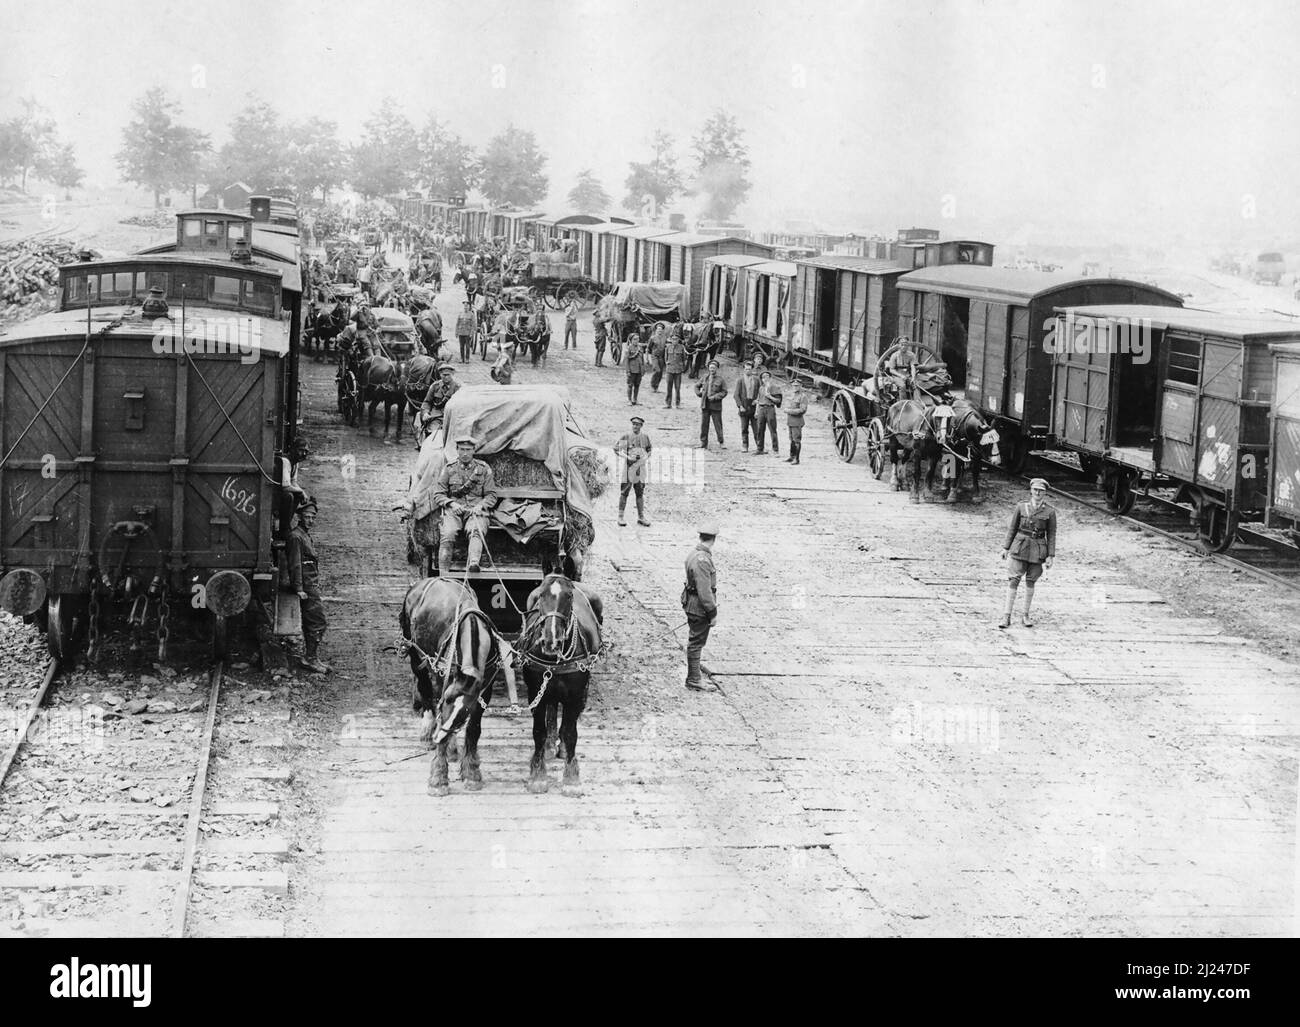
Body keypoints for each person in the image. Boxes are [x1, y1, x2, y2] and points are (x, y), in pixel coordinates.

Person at [433, 435, 499, 574]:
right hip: (454, 510)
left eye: (468, 449)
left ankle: (473, 564)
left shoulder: (483, 469)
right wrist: (451, 504)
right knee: (448, 533)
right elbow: (438, 494)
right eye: (462, 449)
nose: (465, 453)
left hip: (475, 511)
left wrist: (481, 506)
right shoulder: (449, 469)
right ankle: (443, 573)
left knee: (476, 529)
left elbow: (491, 495)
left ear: (474, 450)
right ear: (456, 450)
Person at [999, 478, 1057, 628]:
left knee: (1031, 581)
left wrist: (1050, 556)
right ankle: (1006, 616)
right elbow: (1012, 529)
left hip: (1038, 550)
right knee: (1014, 580)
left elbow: (1051, 534)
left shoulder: (1050, 512)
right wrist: (1006, 548)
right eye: (1035, 490)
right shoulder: (1021, 507)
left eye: (1041, 491)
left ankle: (1025, 615)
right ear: (1031, 491)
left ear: (1045, 493)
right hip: (1020, 547)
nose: (1038, 493)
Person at [287, 496, 329, 674]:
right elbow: (295, 564)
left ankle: (311, 656)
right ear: (300, 517)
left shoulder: (304, 535)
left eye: (313, 517)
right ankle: (310, 658)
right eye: (307, 517)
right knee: (318, 621)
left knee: (314, 621)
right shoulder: (296, 536)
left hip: (312, 583)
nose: (310, 520)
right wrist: (299, 589)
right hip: (306, 586)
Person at [681, 523, 719, 692]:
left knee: (695, 641)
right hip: (699, 607)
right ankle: (694, 679)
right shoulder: (703, 560)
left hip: (692, 602)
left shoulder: (694, 553)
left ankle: (694, 676)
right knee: (696, 642)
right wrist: (712, 613)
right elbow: (705, 591)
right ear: (714, 539)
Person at [615, 415, 652, 527]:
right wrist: (627, 457)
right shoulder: (627, 436)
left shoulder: (645, 437)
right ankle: (620, 516)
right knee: (624, 492)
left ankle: (641, 517)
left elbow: (649, 450)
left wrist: (645, 457)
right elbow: (617, 450)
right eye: (633, 424)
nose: (635, 426)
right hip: (629, 468)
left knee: (640, 493)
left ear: (641, 426)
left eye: (637, 424)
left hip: (640, 468)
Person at [418, 363, 461, 433]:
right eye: (444, 375)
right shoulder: (435, 386)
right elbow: (427, 402)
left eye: (448, 375)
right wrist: (425, 413)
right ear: (440, 375)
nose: (446, 377)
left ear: (452, 374)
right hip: (436, 416)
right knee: (432, 433)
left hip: (452, 416)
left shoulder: (458, 387)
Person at [696, 357, 728, 449]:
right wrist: (699, 394)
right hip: (705, 405)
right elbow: (696, 386)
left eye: (714, 368)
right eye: (710, 367)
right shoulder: (704, 378)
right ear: (708, 368)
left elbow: (724, 392)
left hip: (716, 406)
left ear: (717, 369)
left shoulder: (720, 379)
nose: (712, 369)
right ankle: (703, 442)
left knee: (718, 425)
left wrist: (715, 397)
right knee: (704, 425)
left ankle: (721, 442)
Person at [733, 359, 760, 452]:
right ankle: (745, 445)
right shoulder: (740, 380)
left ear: (752, 370)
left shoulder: (756, 380)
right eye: (746, 369)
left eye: (749, 369)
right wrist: (740, 406)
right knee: (744, 428)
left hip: (753, 407)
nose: (748, 371)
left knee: (756, 428)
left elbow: (760, 392)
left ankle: (759, 446)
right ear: (744, 370)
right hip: (744, 406)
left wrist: (757, 400)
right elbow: (736, 395)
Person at [754, 371, 782, 455]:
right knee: (760, 430)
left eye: (767, 376)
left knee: (772, 430)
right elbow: (759, 400)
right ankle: (760, 449)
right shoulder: (761, 388)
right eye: (763, 377)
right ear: (761, 379)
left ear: (770, 378)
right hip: (761, 409)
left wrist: (770, 397)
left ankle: (775, 450)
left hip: (770, 409)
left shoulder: (774, 387)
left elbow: (778, 400)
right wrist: (756, 411)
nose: (765, 379)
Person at [784, 378, 808, 464]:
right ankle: (792, 456)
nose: (795, 387)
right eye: (794, 385)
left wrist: (789, 411)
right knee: (792, 440)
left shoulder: (803, 396)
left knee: (797, 440)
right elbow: (786, 405)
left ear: (801, 386)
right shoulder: (791, 395)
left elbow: (802, 410)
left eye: (797, 386)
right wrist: (786, 409)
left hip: (797, 421)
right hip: (790, 420)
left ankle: (797, 459)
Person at [663, 326, 687, 408]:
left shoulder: (681, 348)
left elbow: (684, 359)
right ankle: (668, 403)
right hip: (669, 370)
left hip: (678, 370)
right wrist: (667, 364)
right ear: (671, 340)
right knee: (669, 388)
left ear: (678, 340)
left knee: (677, 388)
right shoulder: (668, 347)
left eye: (676, 339)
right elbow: (665, 358)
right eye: (673, 339)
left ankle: (677, 403)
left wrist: (683, 367)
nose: (674, 341)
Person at [625, 329, 646, 405]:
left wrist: (643, 369)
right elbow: (626, 361)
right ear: (631, 340)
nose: (636, 341)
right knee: (630, 385)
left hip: (639, 370)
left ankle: (635, 399)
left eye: (638, 339)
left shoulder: (640, 348)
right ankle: (629, 400)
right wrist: (628, 371)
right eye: (634, 339)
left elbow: (642, 359)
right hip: (632, 369)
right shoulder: (629, 348)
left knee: (637, 385)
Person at [648, 322, 667, 392]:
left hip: (661, 357)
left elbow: (666, 346)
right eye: (658, 330)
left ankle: (656, 387)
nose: (660, 331)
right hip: (654, 356)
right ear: (656, 330)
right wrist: (650, 357)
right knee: (657, 370)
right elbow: (649, 348)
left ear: (662, 331)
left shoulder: (664, 338)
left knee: (661, 372)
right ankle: (653, 385)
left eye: (661, 330)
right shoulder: (652, 338)